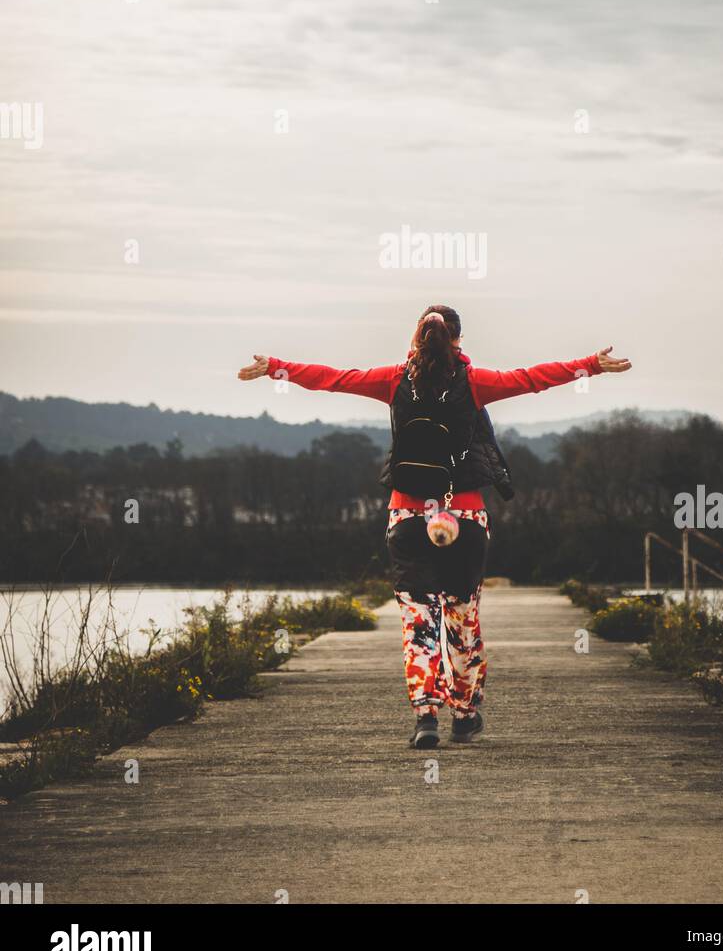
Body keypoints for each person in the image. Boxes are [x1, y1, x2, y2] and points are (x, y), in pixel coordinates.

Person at [238, 305, 631, 747]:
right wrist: (590, 366)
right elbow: (532, 378)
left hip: (407, 514)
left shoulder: (394, 380)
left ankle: (426, 715)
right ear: (458, 341)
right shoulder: (476, 382)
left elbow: (333, 378)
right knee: (463, 620)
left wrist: (276, 368)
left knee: (419, 620)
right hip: (464, 515)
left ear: (416, 340)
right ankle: (464, 715)